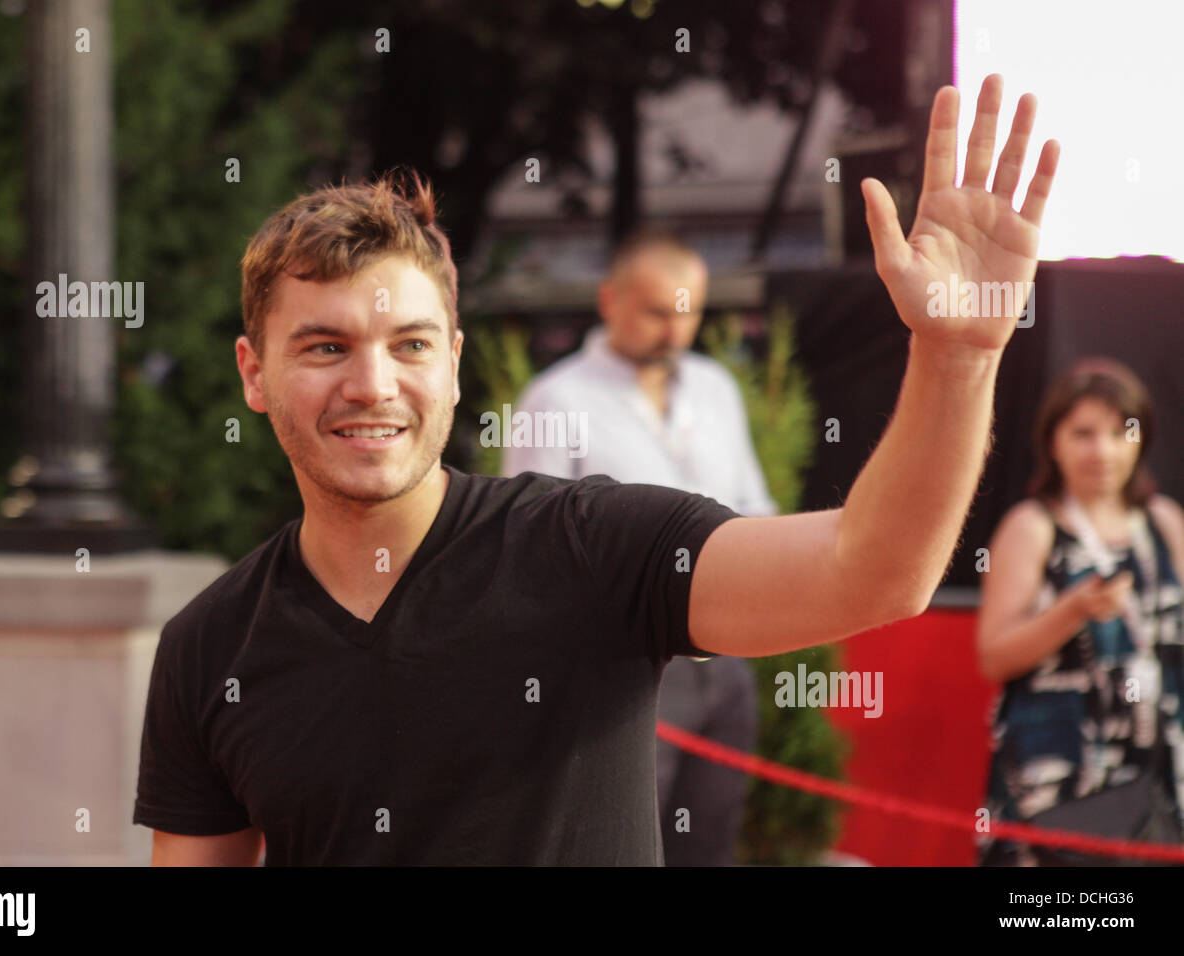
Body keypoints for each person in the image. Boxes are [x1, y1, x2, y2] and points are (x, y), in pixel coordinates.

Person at [133, 74, 1061, 865]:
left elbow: (875, 569)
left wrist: (958, 355)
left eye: (409, 344)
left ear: (453, 364)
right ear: (255, 374)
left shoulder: (587, 546)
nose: (372, 385)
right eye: (326, 346)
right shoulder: (208, 649)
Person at [502, 228, 774, 866]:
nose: (675, 329)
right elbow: (531, 551)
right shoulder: (555, 398)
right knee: (621, 846)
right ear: (609, 300)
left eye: (690, 312)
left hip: (726, 654)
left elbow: (755, 508)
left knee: (709, 841)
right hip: (621, 666)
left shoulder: (716, 388)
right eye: (658, 311)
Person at [976, 359, 1184, 865]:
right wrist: (1069, 613)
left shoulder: (1163, 520)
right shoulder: (1032, 526)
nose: (1103, 451)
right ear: (1053, 440)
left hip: (1156, 767)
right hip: (1059, 775)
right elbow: (993, 657)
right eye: (1084, 434)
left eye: (1119, 433)